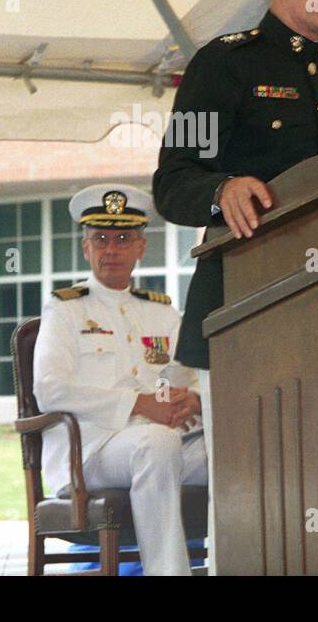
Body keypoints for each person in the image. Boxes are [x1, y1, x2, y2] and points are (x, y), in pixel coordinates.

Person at [152, 0, 318, 572]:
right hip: (246, 312)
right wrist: (221, 189)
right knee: (250, 499)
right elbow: (173, 180)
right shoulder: (222, 65)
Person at [31, 184, 206, 576]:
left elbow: (191, 375)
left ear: (141, 248)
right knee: (156, 443)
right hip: (91, 451)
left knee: (235, 449)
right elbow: (49, 390)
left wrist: (192, 400)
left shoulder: (161, 312)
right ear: (86, 248)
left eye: (124, 238)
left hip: (159, 443)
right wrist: (140, 404)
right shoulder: (65, 309)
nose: (112, 249)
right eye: (101, 239)